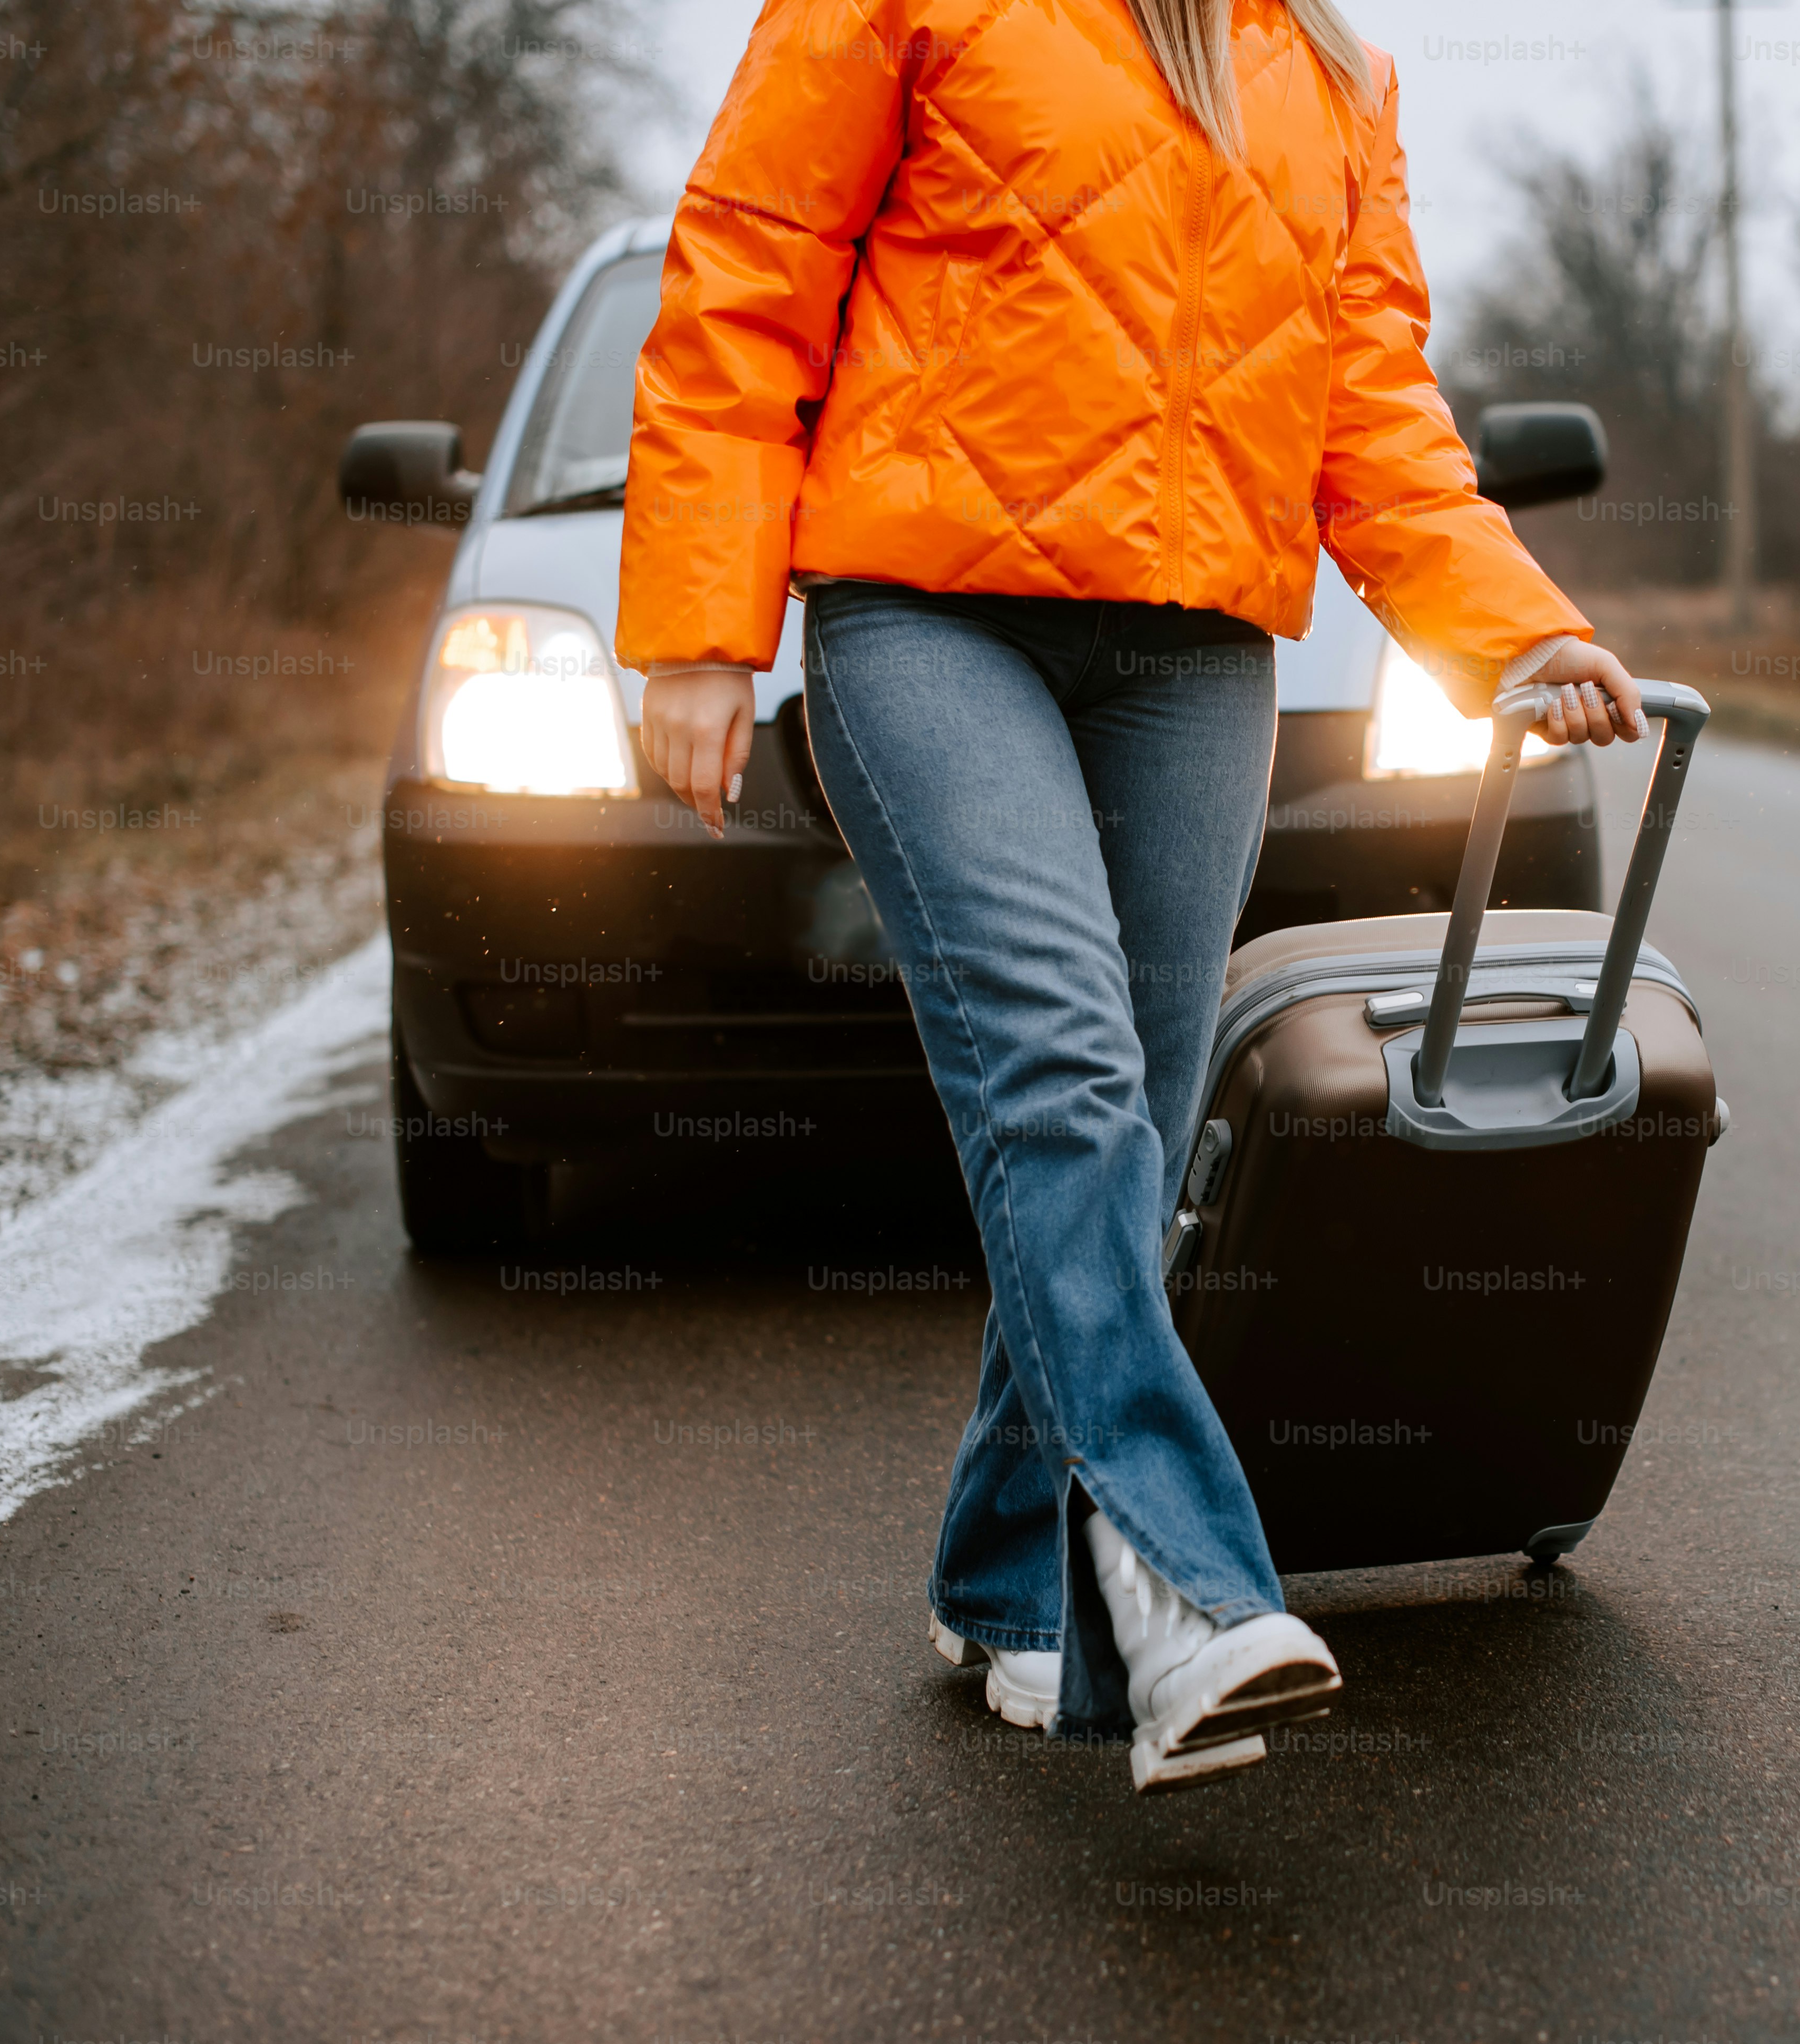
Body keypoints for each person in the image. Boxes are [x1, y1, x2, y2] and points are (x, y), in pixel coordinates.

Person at [615, 0, 1645, 1793]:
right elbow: (749, 265)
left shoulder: (1334, 74)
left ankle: (1004, 1578)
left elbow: (1373, 404)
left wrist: (1520, 625)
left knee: (1137, 1129)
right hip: (927, 615)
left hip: (1192, 658)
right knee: (1063, 1073)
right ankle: (1184, 1583)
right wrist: (704, 627)